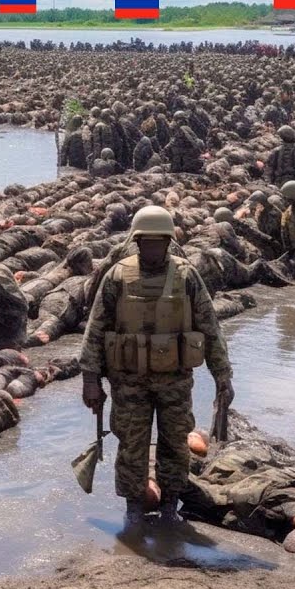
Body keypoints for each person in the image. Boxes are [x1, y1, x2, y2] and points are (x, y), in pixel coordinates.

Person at [79, 205, 234, 524]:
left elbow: (210, 328)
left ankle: (170, 505)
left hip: (174, 381)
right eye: (145, 242)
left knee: (175, 444)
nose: (152, 248)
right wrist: (90, 379)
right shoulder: (118, 276)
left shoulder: (187, 276)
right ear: (136, 241)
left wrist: (223, 376)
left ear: (168, 241)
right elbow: (96, 328)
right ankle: (134, 506)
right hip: (129, 381)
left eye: (157, 241)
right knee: (131, 445)